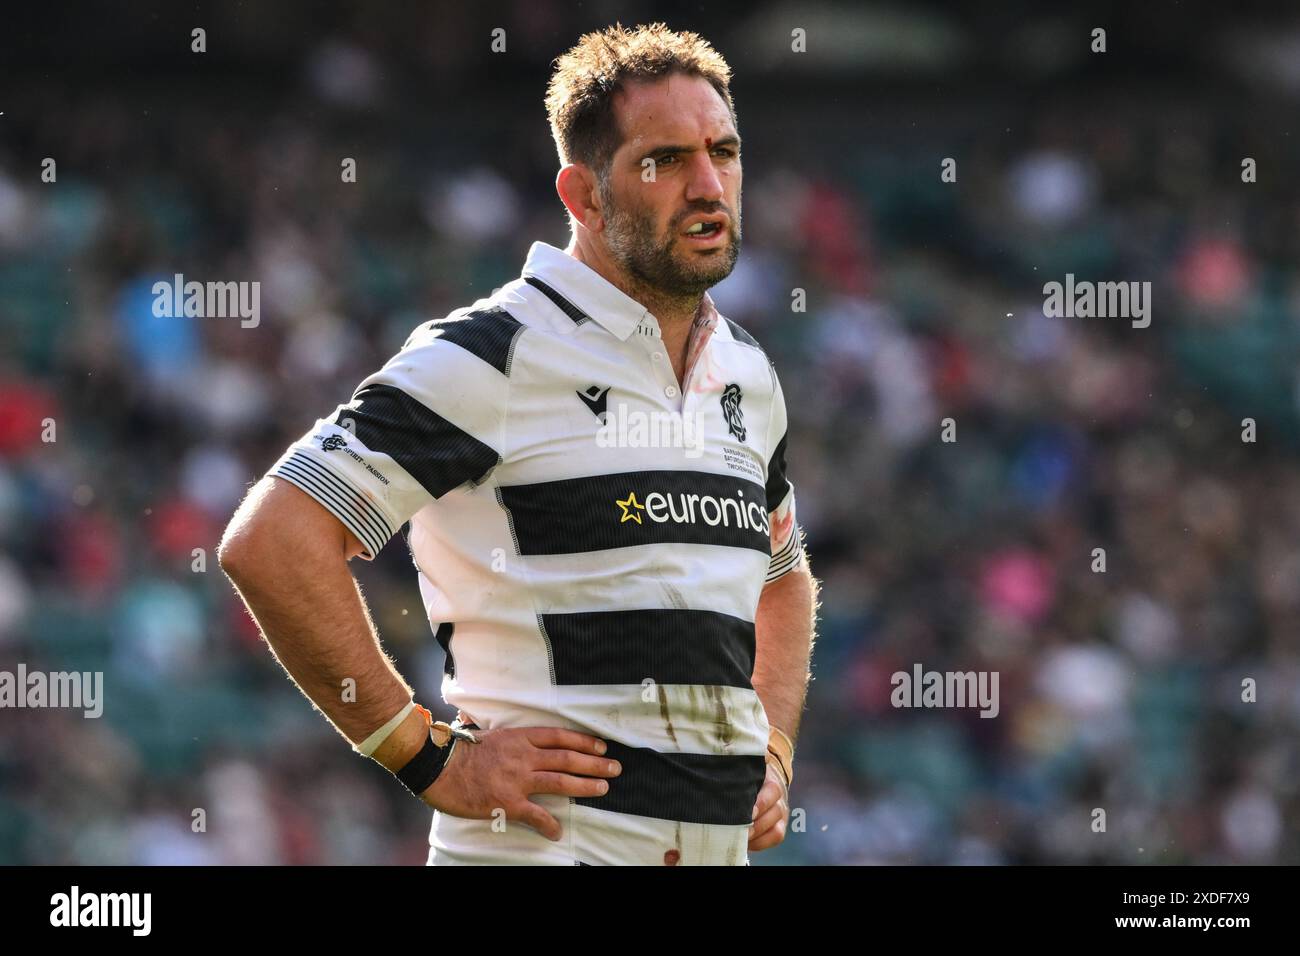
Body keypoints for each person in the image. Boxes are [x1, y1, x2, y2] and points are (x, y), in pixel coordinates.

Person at [218, 22, 817, 866]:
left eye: (724, 150)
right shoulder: (493, 352)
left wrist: (776, 753)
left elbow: (784, 582)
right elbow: (272, 542)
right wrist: (421, 753)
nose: (709, 184)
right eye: (665, 160)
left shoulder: (748, 372)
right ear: (583, 197)